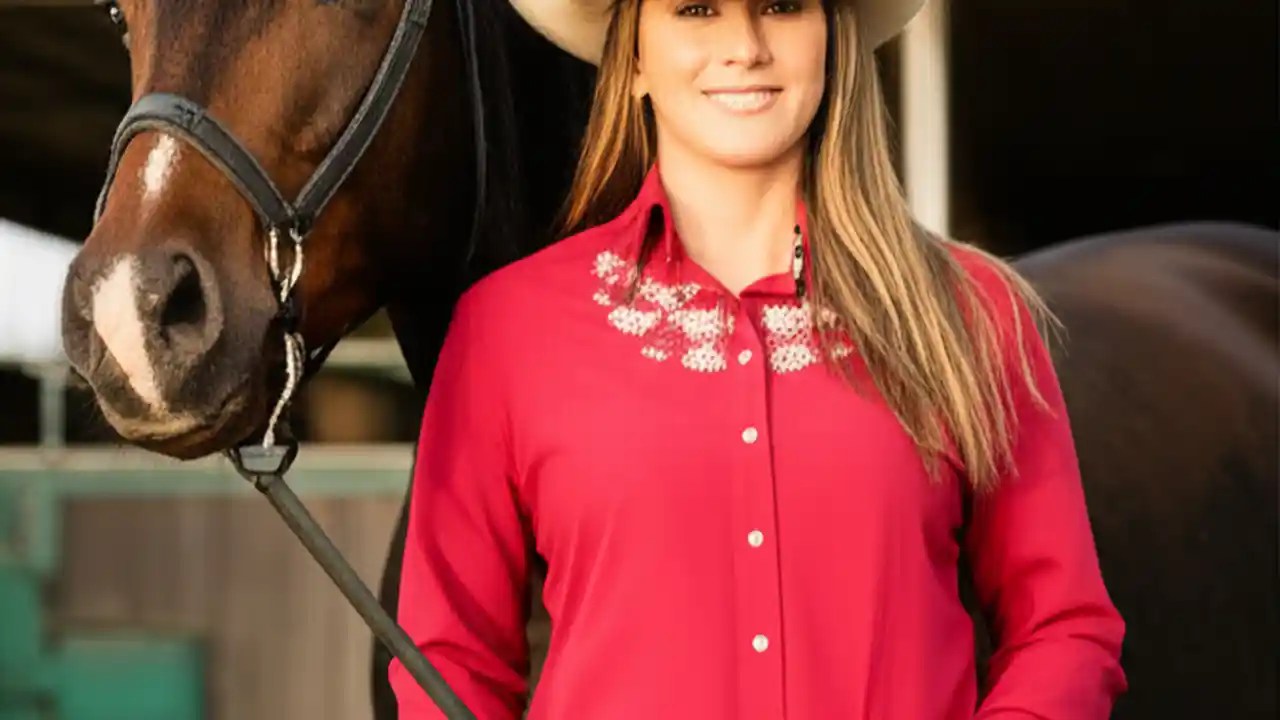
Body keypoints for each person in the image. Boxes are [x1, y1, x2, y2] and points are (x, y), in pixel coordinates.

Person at [389, 0, 1127, 717]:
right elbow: (446, 656)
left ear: (832, 42)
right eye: (697, 9)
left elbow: (1063, 631)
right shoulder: (506, 332)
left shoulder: (972, 315)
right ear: (634, 58)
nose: (745, 45)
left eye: (781, 5)